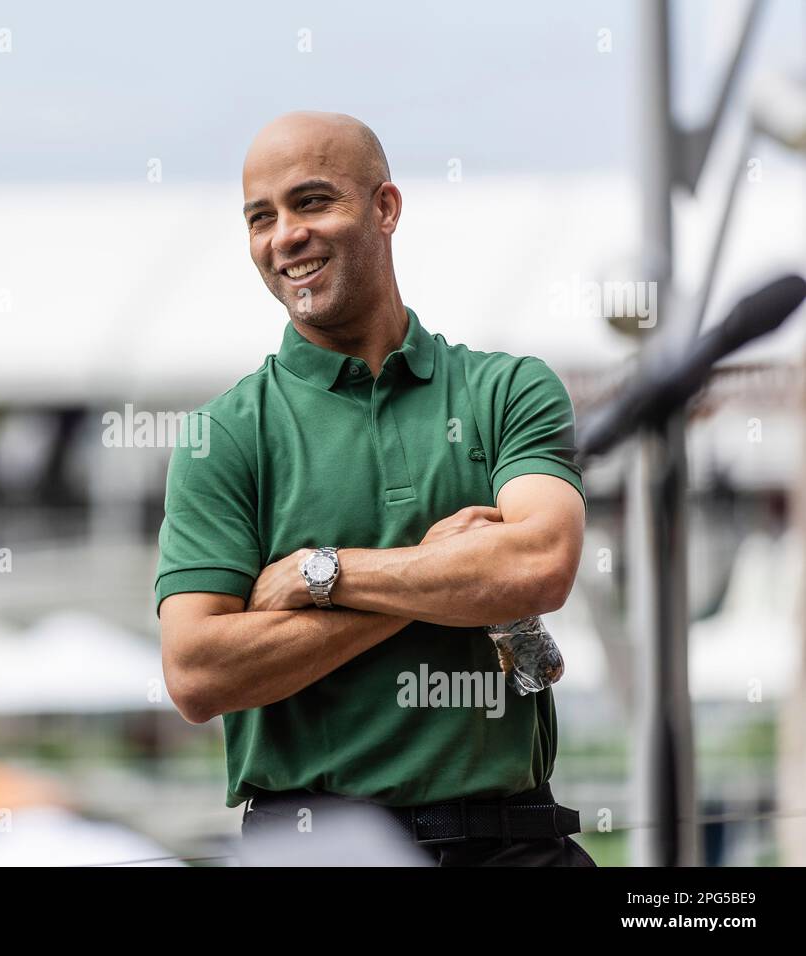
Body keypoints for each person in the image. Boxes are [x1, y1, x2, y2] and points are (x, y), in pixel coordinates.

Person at [155, 111, 594, 866]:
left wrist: (319, 574)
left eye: (312, 202)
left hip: (516, 840)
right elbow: (197, 672)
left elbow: (540, 563)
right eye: (261, 217)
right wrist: (438, 577)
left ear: (385, 208)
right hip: (321, 845)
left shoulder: (507, 389)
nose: (284, 235)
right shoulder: (222, 435)